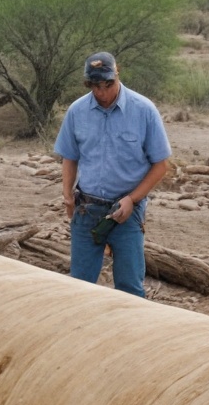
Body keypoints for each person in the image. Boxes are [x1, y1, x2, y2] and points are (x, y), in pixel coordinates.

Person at [54, 52, 171, 297]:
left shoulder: (144, 110)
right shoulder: (77, 111)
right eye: (96, 86)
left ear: (117, 76)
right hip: (86, 209)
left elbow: (160, 165)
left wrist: (132, 200)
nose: (102, 92)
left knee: (130, 287)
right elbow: (70, 157)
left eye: (108, 84)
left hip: (127, 210)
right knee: (79, 286)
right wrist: (67, 196)